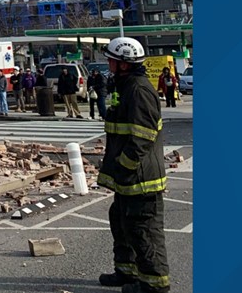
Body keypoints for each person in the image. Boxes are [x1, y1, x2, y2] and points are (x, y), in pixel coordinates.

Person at [97, 36, 170, 293]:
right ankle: (126, 271)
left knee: (143, 229)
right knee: (120, 221)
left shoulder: (138, 90)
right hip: (128, 178)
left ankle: (154, 284)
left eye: (112, 60)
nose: (108, 63)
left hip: (140, 178)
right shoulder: (125, 86)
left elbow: (143, 136)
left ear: (124, 64)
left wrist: (124, 166)